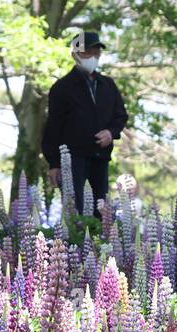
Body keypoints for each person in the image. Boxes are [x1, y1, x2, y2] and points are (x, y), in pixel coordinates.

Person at [41, 31, 129, 217]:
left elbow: (120, 116)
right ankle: (75, 244)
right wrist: (54, 163)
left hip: (101, 158)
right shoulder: (62, 88)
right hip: (72, 160)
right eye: (88, 53)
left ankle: (100, 245)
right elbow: (53, 128)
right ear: (75, 54)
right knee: (75, 211)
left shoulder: (108, 85)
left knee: (101, 211)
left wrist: (110, 133)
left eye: (96, 53)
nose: (93, 57)